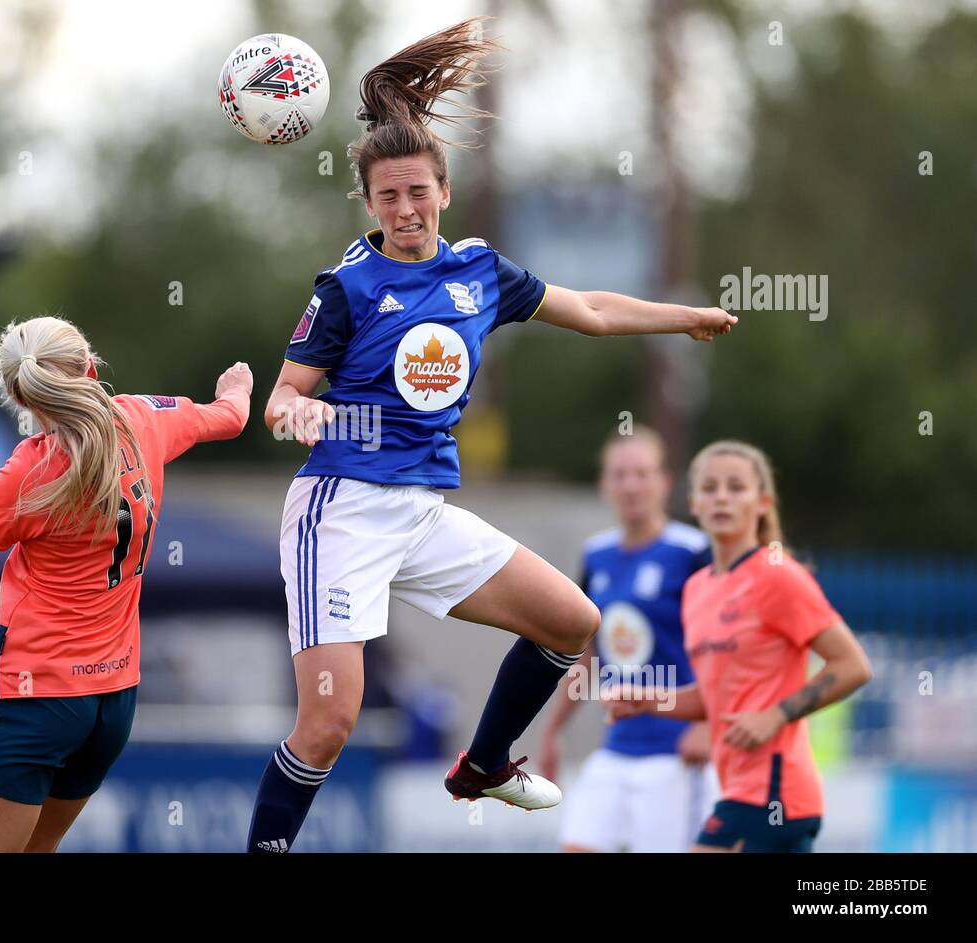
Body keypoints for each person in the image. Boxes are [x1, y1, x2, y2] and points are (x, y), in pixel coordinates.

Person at [245, 18, 737, 853]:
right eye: (388, 196)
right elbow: (282, 398)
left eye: (418, 191)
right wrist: (303, 413)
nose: (405, 208)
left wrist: (680, 316)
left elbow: (587, 309)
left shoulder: (479, 269)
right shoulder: (348, 289)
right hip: (341, 510)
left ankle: (482, 762)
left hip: (423, 511)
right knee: (329, 720)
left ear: (443, 188)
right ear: (368, 204)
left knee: (571, 620)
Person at [0, 315, 251, 852]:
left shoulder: (32, 468)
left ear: (23, 400)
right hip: (111, 702)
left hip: (33, 700)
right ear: (90, 367)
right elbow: (227, 419)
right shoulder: (143, 420)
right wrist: (237, 390)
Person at [607, 440, 873, 852]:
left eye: (736, 487)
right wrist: (648, 700)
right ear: (694, 503)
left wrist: (776, 715)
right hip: (740, 787)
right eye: (710, 488)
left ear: (763, 501)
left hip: (773, 792)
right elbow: (714, 698)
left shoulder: (778, 575)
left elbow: (853, 665)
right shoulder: (697, 588)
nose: (722, 498)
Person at [542, 426, 717, 853]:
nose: (631, 485)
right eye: (620, 475)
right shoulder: (596, 555)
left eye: (642, 473)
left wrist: (707, 723)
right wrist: (553, 729)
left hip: (675, 751)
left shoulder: (691, 551)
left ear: (664, 482)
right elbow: (588, 651)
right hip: (617, 745)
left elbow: (720, 643)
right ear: (604, 484)